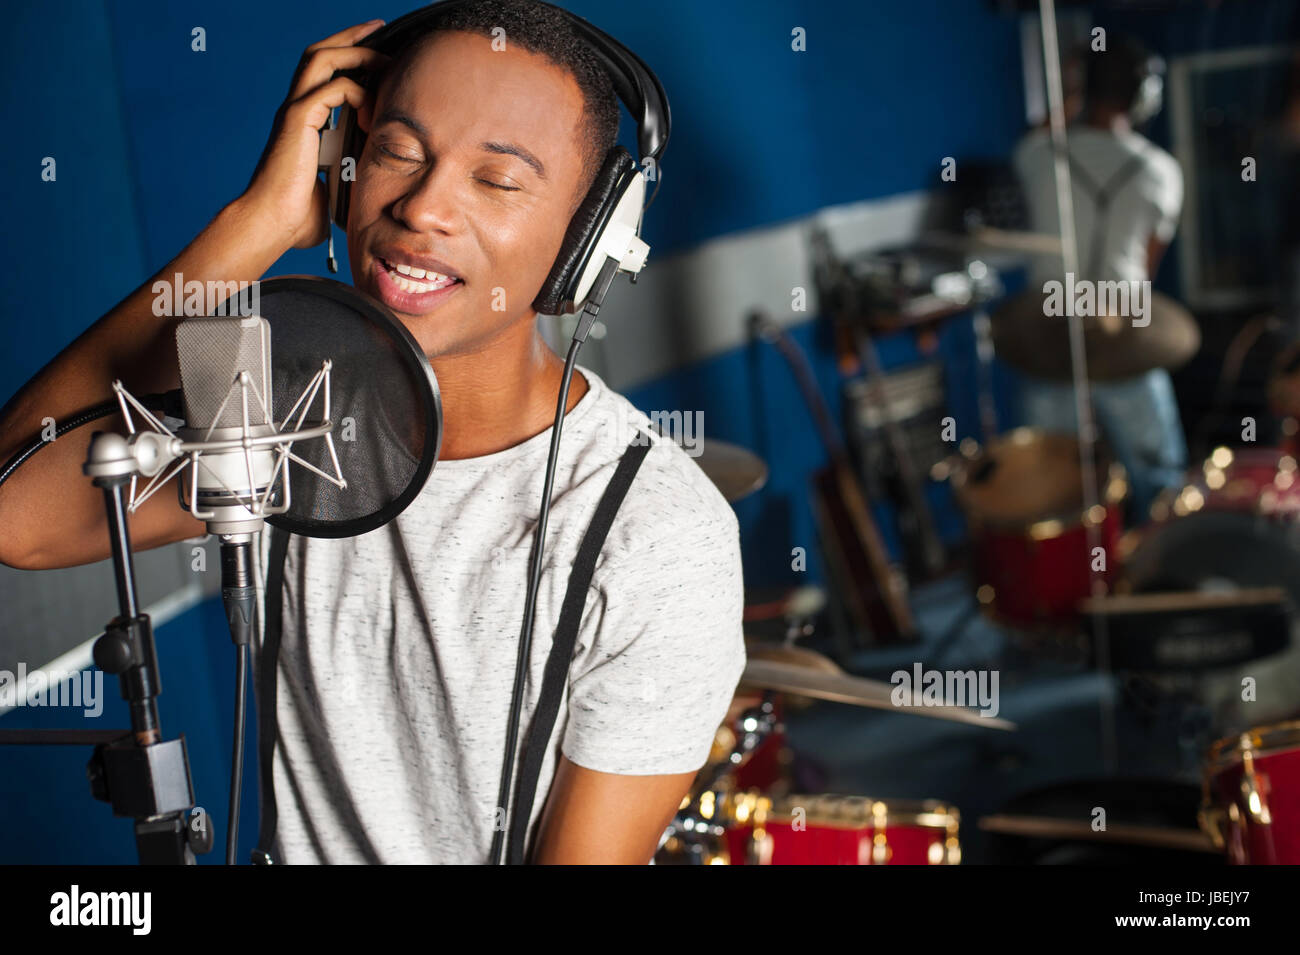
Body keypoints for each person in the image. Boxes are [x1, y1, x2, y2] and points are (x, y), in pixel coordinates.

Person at [0, 1, 745, 864]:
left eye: (496, 179)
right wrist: (261, 220)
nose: (424, 207)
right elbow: (18, 511)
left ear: (590, 241)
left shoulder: (655, 536)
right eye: (396, 152)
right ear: (341, 169)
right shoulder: (291, 409)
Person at [1012, 33, 1188, 518]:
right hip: (1123, 330)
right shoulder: (1161, 171)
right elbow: (1148, 268)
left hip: (1049, 331)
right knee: (1161, 479)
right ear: (1143, 96)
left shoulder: (1035, 154)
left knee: (1047, 481)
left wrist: (1072, 96)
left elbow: (1043, 133)